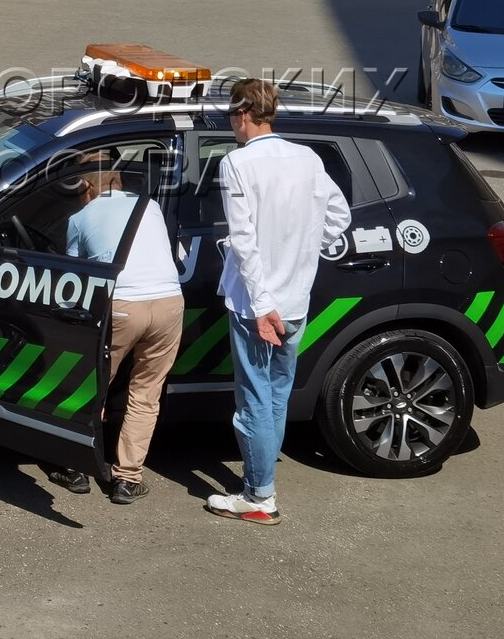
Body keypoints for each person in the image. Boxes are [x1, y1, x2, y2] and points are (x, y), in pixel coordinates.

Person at [207, 78, 350, 526]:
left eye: (231, 115)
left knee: (253, 398)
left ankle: (258, 494)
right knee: (277, 395)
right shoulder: (306, 158)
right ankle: (263, 478)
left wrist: (262, 302)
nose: (231, 123)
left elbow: (245, 242)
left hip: (257, 305)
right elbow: (339, 218)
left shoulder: (236, 164)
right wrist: (306, 251)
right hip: (295, 300)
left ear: (244, 115)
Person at [46, 150, 184, 506]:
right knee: (146, 392)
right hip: (169, 303)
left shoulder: (80, 217)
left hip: (121, 305)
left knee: (93, 386)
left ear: (87, 183)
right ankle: (128, 479)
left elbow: (76, 274)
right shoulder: (148, 206)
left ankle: (74, 466)